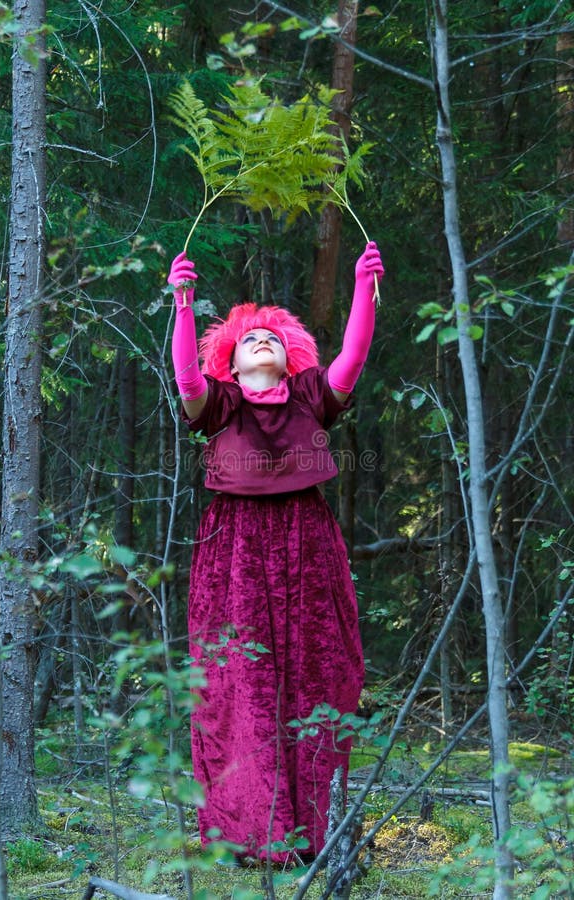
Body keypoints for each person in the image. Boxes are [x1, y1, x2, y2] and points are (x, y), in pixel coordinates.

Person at [169, 241, 384, 864]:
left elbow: (354, 357)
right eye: (250, 339)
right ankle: (249, 831)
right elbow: (186, 379)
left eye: (273, 338)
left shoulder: (310, 395)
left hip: (305, 540)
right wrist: (183, 304)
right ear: (230, 363)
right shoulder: (223, 403)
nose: (263, 341)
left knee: (313, 669)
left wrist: (364, 287)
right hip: (232, 547)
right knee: (239, 678)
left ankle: (314, 832)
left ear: (289, 358)